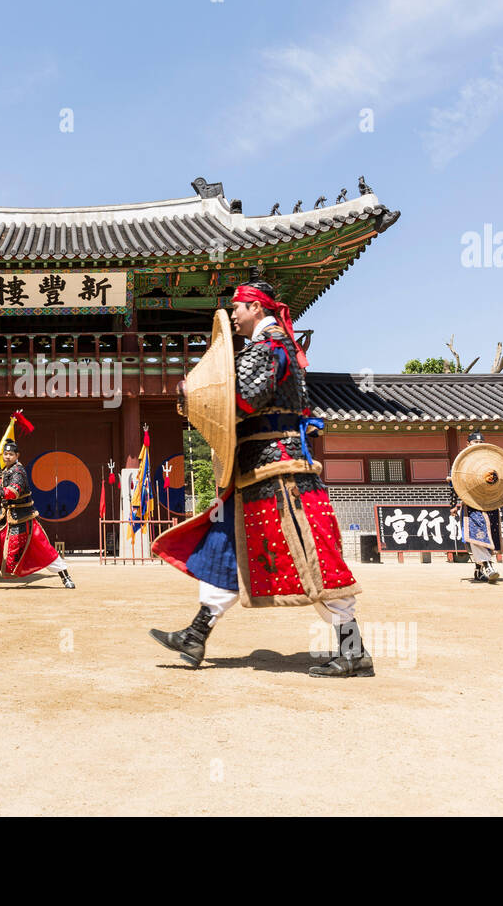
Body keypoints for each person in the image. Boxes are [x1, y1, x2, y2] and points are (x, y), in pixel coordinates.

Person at [149, 278, 372, 677]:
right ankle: (196, 634)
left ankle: (352, 649)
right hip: (257, 468)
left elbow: (240, 401)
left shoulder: (268, 347)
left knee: (314, 557)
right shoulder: (271, 346)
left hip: (280, 470)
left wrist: (194, 394)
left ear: (256, 308)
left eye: (238, 306)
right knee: (225, 546)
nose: (232, 314)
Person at [0, 440, 75, 590]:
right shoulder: (7, 470)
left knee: (43, 549)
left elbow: (13, 491)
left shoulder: (19, 471)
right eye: (5, 454)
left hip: (23, 519)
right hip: (4, 518)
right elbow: (5, 481)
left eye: (11, 454)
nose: (7, 456)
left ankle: (66, 577)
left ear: (17, 455)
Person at [449, 430, 503, 583]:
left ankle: (479, 570)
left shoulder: (490, 460)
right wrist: (453, 505)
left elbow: (501, 478)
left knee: (490, 534)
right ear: (468, 444)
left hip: (490, 502)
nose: (478, 445)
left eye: (481, 442)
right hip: (471, 503)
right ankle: (488, 565)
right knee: (477, 533)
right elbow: (453, 483)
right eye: (475, 442)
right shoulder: (462, 461)